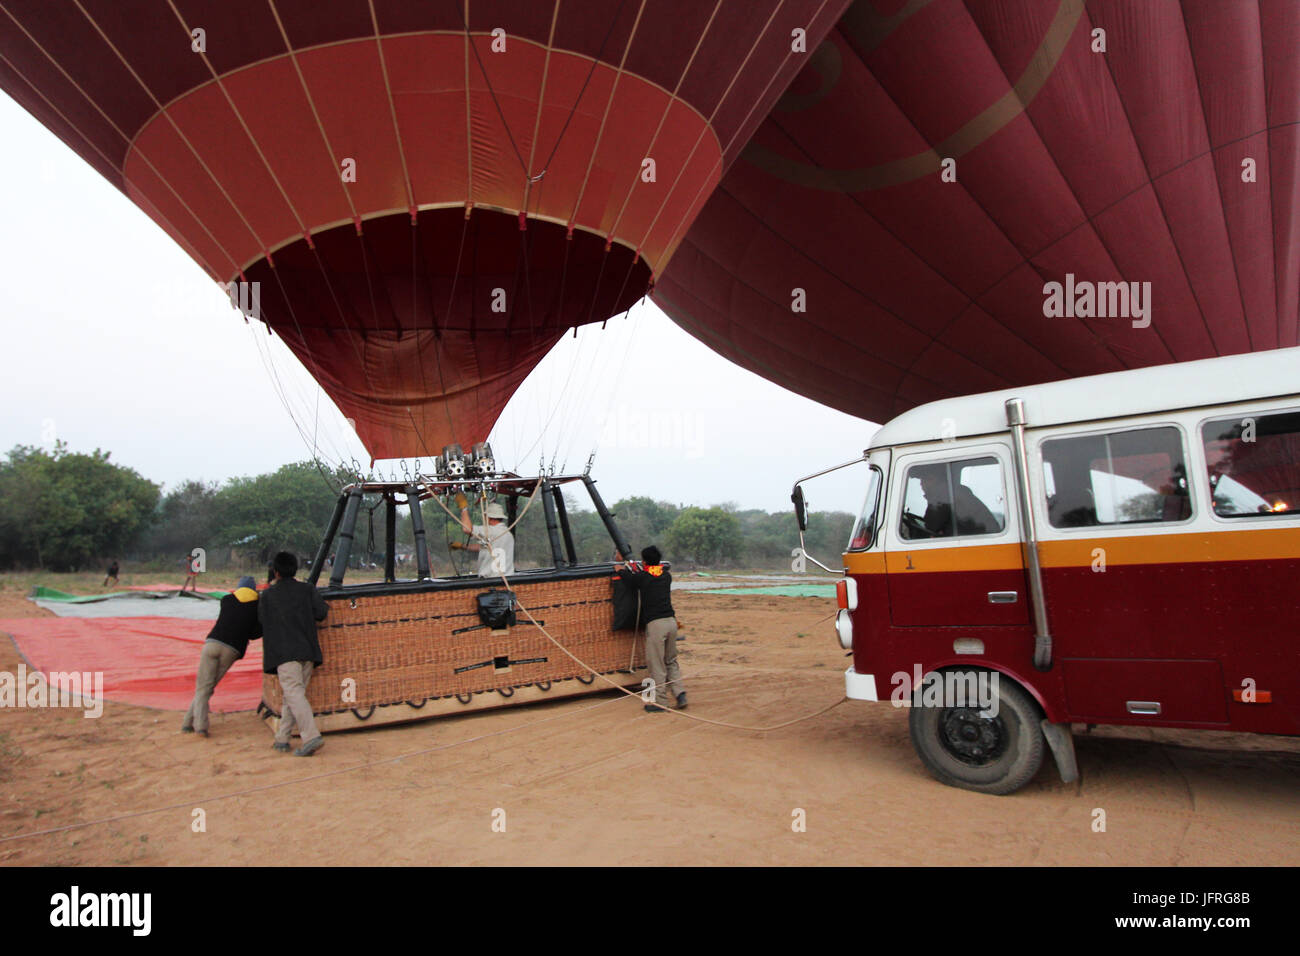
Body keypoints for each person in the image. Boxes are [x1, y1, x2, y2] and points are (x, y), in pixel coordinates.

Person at [259, 551, 328, 756]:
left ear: (276, 572)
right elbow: (322, 613)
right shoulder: (307, 589)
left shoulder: (268, 595)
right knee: (293, 696)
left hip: (284, 653)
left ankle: (311, 736)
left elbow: (261, 621)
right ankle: (282, 738)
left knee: (294, 694)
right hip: (307, 652)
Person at [182, 575, 262, 737]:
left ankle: (192, 723)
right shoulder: (257, 605)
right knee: (208, 686)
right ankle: (195, 724)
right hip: (231, 650)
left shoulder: (226, 600)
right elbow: (255, 633)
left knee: (203, 687)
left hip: (212, 643)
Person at [616, 546, 685, 713]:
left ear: (645, 561)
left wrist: (620, 568)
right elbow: (648, 573)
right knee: (671, 660)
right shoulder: (665, 576)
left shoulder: (643, 578)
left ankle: (660, 702)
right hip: (671, 622)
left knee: (657, 664)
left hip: (657, 625)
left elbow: (629, 579)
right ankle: (680, 692)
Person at [915, 469, 998, 538]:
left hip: (979, 541)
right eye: (922, 480)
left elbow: (932, 526)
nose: (922, 483)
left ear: (938, 480)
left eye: (927, 479)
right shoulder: (953, 492)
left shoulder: (944, 496)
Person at [452, 495, 515, 576]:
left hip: (491, 581)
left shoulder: (490, 531)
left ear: (490, 518)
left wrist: (464, 508)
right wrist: (462, 546)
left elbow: (467, 529)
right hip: (508, 580)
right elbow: (483, 547)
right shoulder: (508, 534)